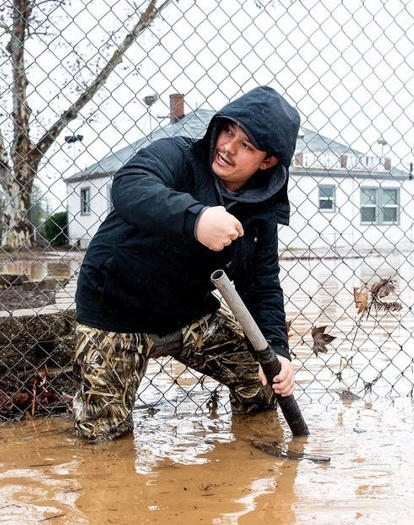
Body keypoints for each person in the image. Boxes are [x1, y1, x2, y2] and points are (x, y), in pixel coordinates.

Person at [73, 86, 301, 442]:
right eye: (228, 131)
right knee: (103, 440)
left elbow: (262, 285)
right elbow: (129, 186)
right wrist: (196, 219)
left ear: (268, 161)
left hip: (189, 315)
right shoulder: (177, 154)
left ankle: (242, 467)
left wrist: (278, 350)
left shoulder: (261, 212)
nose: (227, 147)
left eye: (246, 145)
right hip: (117, 311)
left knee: (263, 385)